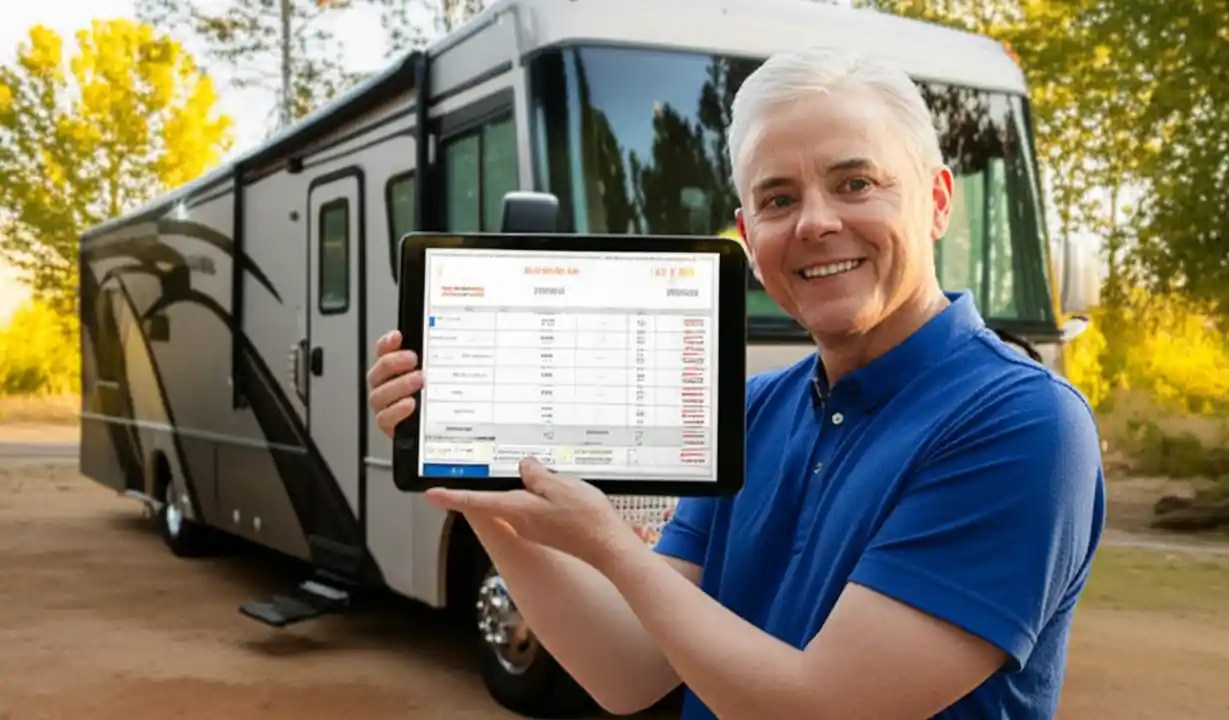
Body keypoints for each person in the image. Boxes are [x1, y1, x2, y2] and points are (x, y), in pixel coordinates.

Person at [367, 47, 1105, 720]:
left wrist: (610, 546)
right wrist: (488, 501)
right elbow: (629, 672)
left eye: (855, 183)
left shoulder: (1023, 423)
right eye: (778, 200)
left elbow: (823, 709)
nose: (816, 223)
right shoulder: (749, 412)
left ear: (939, 200)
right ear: (748, 240)